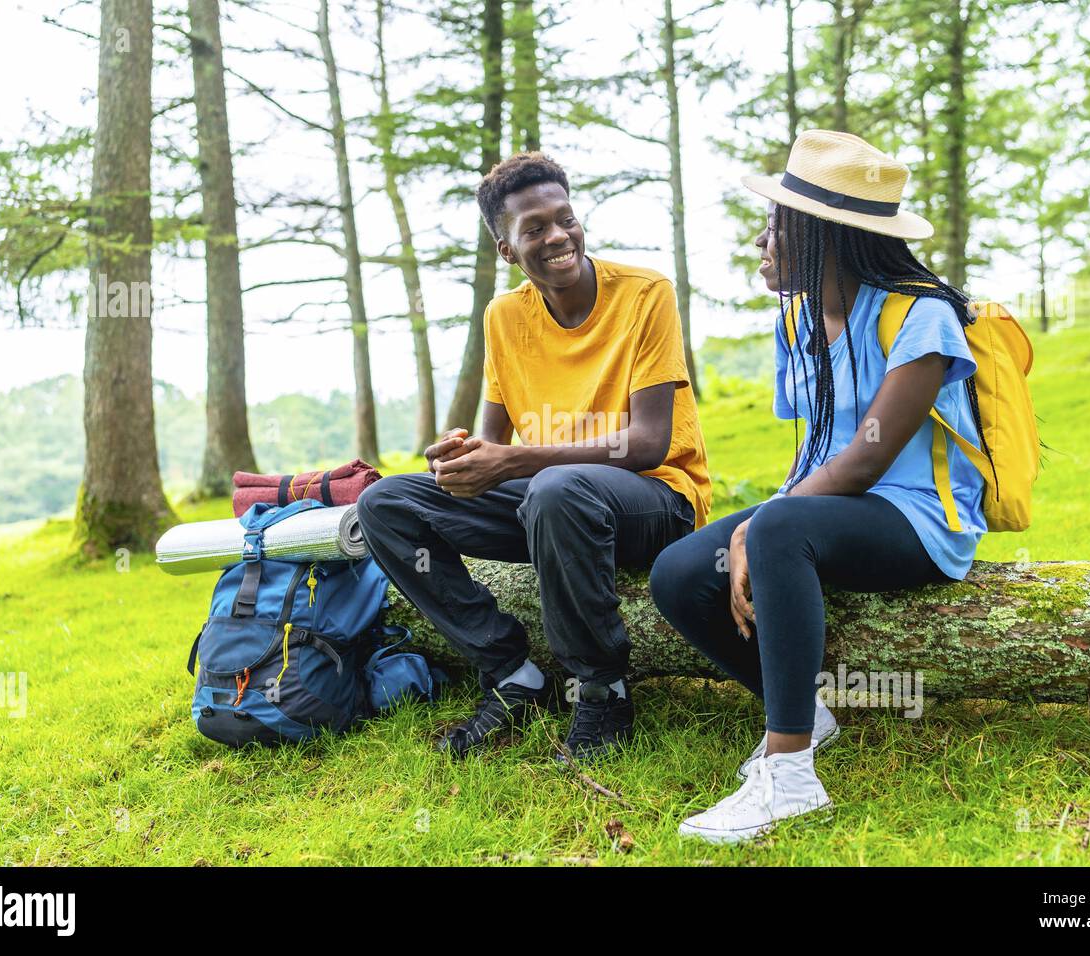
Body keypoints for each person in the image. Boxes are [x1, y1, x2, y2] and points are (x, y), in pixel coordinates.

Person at [650, 129, 990, 843]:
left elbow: (865, 458)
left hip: (920, 522)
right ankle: (806, 707)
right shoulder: (799, 317)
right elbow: (816, 448)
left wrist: (764, 526)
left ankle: (792, 773)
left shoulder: (920, 316)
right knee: (680, 571)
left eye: (774, 231)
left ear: (824, 236)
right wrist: (764, 526)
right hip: (829, 510)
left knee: (773, 527)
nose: (759, 245)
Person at [358, 152, 711, 763]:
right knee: (384, 502)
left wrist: (515, 464)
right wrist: (460, 458)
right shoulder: (505, 317)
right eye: (535, 229)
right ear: (506, 250)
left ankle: (602, 688)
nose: (557, 237)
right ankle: (512, 672)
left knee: (557, 488)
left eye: (565, 219)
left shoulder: (646, 294)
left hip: (655, 503)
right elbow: (494, 446)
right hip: (552, 511)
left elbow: (650, 442)